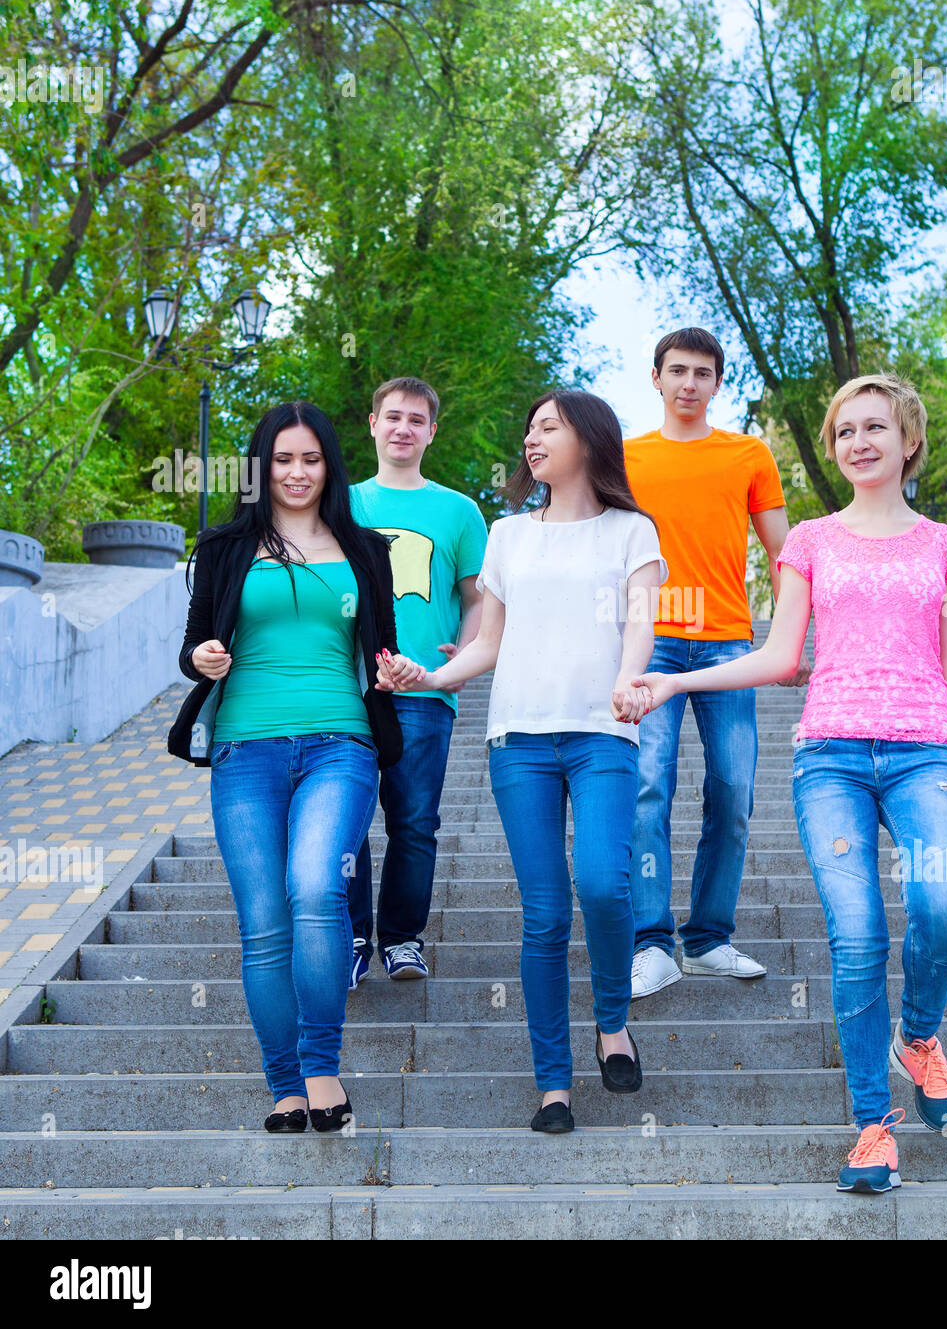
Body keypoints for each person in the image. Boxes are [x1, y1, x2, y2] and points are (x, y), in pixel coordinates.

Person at [633, 372, 947, 1193]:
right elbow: (779, 657)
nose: (858, 442)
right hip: (830, 758)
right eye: (844, 431)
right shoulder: (808, 540)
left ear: (908, 441)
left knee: (943, 910)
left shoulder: (942, 545)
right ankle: (874, 1126)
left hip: (927, 756)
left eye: (875, 427)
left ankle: (918, 1035)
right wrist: (674, 682)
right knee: (857, 935)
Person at [380, 389, 666, 1132]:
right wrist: (432, 676)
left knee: (603, 882)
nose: (533, 439)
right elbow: (486, 641)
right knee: (543, 913)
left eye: (549, 427)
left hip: (604, 731)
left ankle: (611, 1021)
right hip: (518, 739)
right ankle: (552, 1084)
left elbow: (642, 621)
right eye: (530, 426)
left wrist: (632, 679)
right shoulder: (509, 536)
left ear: (590, 440)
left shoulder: (631, 531)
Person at [167, 401, 421, 1134]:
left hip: (341, 744)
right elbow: (191, 645)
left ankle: (319, 1066)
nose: (298, 471)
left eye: (311, 458)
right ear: (262, 466)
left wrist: (396, 669)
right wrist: (203, 657)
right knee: (264, 923)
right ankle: (282, 1084)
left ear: (329, 465)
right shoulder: (223, 548)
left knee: (316, 888)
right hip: (246, 749)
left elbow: (381, 647)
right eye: (283, 458)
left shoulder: (365, 550)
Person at [621, 327, 810, 999]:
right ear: (656, 377)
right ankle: (649, 941)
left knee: (733, 790)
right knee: (647, 787)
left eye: (703, 372)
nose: (689, 383)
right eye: (678, 370)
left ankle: (706, 938)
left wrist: (793, 640)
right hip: (650, 641)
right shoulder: (624, 457)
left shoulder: (749, 454)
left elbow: (787, 554)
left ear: (716, 382)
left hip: (731, 640)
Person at [347, 376, 488, 987]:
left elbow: (477, 597)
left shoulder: (459, 511)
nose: (403, 428)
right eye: (393, 416)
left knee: (414, 819)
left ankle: (402, 938)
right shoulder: (341, 503)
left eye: (416, 420)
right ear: (373, 424)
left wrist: (471, 646)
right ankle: (349, 934)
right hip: (346, 688)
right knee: (345, 818)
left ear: (432, 432)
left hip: (425, 691)